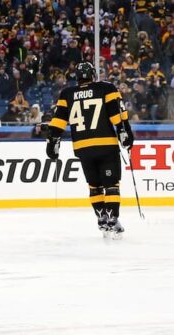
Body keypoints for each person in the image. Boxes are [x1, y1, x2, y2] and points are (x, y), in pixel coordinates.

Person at [46, 61, 134, 239]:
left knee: (94, 185)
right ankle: (112, 219)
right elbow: (118, 116)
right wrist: (126, 134)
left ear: (77, 77)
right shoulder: (106, 88)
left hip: (82, 147)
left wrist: (52, 142)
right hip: (106, 146)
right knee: (111, 185)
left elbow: (57, 123)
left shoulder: (67, 93)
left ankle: (101, 218)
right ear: (93, 74)